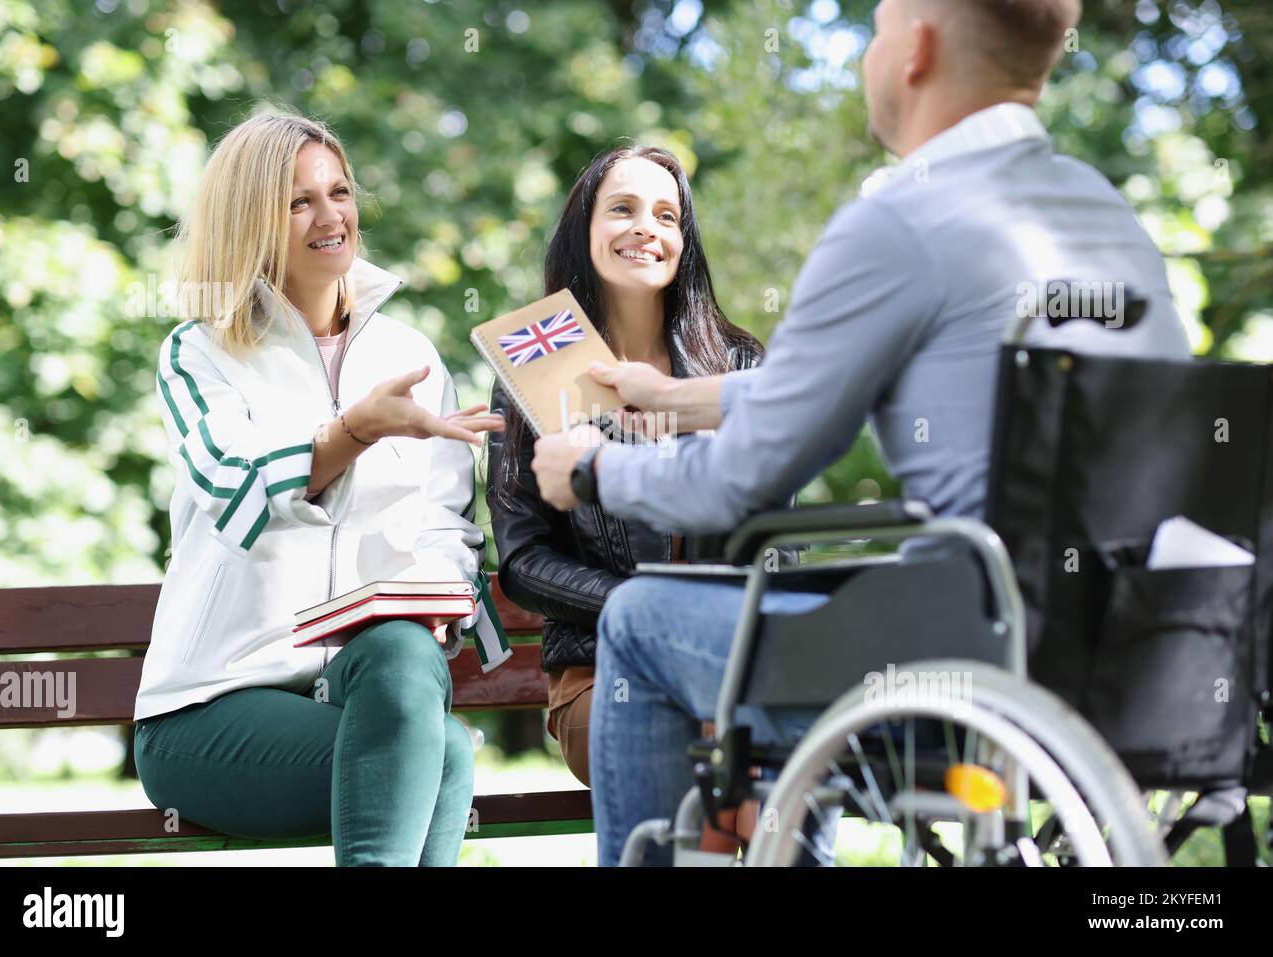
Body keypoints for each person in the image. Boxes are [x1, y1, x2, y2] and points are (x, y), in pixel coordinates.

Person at [529, 0, 1191, 865]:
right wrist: (675, 397)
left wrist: (593, 472)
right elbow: (813, 391)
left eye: (876, 28)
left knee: (643, 619)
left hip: (973, 656)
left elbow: (743, 478)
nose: (867, 53)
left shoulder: (903, 221)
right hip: (1145, 658)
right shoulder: (1103, 216)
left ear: (915, 46)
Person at [132, 113, 506, 866]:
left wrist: (438, 600)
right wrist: (352, 433)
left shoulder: (411, 356)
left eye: (339, 192)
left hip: (359, 694)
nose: (331, 216)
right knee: (443, 759)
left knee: (406, 659)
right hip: (209, 711)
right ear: (250, 220)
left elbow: (446, 528)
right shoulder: (200, 350)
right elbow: (231, 482)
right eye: (298, 202)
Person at [486, 145, 765, 787]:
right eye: (622, 209)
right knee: (677, 739)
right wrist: (643, 607)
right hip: (602, 667)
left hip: (733, 657)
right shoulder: (532, 370)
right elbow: (523, 563)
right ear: (583, 231)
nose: (647, 227)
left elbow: (776, 539)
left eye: (668, 216)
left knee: (763, 743)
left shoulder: (742, 366)